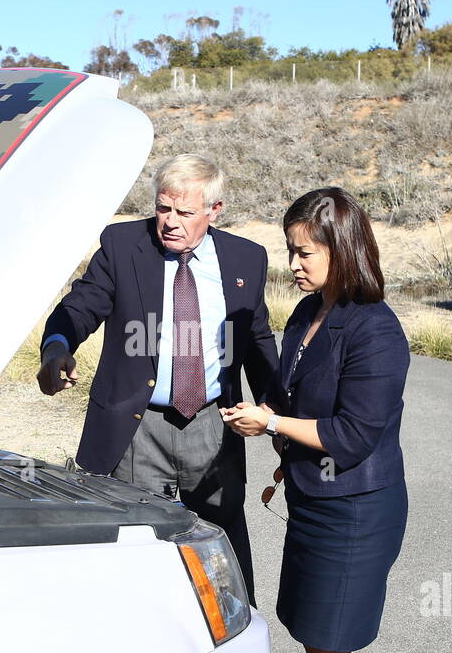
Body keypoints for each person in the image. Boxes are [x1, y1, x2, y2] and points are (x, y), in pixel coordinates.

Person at [223, 186, 410, 653]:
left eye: (306, 253)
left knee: (329, 650)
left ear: (344, 250)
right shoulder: (308, 313)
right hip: (315, 496)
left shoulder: (376, 331)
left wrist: (273, 421)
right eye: (290, 251)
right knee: (325, 641)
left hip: (356, 510)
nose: (293, 265)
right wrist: (278, 433)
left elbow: (353, 435)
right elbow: (300, 398)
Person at [37, 153, 279, 607]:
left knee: (220, 533)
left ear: (215, 210)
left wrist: (274, 410)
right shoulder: (122, 244)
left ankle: (235, 624)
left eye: (184, 212)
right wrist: (56, 347)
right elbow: (82, 305)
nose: (169, 222)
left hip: (214, 422)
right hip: (136, 423)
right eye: (162, 207)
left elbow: (259, 338)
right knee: (134, 537)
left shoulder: (247, 258)